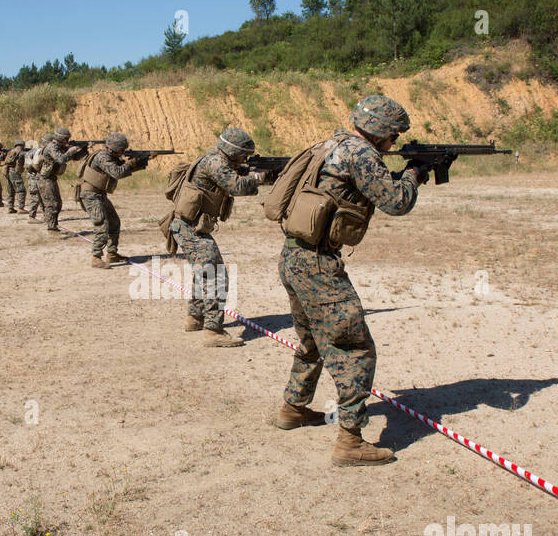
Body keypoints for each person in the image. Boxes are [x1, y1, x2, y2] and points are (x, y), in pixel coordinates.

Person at [274, 95, 422, 466]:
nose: (394, 142)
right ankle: (350, 441)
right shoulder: (361, 154)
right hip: (318, 265)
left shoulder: (331, 145)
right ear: (381, 131)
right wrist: (413, 173)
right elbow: (397, 202)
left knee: (312, 340)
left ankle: (293, 408)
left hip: (294, 256)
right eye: (393, 135)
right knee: (354, 348)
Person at [168, 128, 262, 346]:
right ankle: (213, 331)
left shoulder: (215, 158)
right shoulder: (216, 163)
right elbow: (236, 186)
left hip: (189, 226)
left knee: (203, 272)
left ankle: (195, 318)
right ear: (233, 151)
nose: (244, 160)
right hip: (190, 228)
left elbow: (236, 179)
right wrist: (258, 177)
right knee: (216, 275)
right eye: (243, 155)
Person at [80, 133, 145, 269]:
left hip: (99, 194)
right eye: (121, 150)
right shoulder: (103, 157)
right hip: (91, 194)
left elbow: (124, 169)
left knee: (114, 222)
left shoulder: (110, 157)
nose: (123, 153)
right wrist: (131, 162)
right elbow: (117, 172)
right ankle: (96, 257)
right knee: (101, 224)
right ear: (114, 148)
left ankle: (112, 253)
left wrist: (141, 162)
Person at [36, 127, 85, 233]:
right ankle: (51, 228)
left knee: (58, 203)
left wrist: (84, 149)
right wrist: (71, 151)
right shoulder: (52, 147)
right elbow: (61, 159)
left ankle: (53, 225)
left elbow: (75, 157)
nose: (67, 141)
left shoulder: (59, 148)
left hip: (51, 179)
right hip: (45, 179)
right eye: (66, 139)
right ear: (62, 139)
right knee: (52, 204)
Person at [26, 136, 50, 221]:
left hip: (33, 176)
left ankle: (45, 216)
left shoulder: (33, 151)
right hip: (34, 176)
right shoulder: (39, 151)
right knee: (36, 197)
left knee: (41, 196)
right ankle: (32, 216)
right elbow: (34, 165)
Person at [3, 139, 27, 213]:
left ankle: (10, 208)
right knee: (21, 190)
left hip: (6, 171)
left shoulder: (11, 151)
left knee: (10, 190)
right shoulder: (20, 152)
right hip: (14, 172)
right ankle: (21, 208)